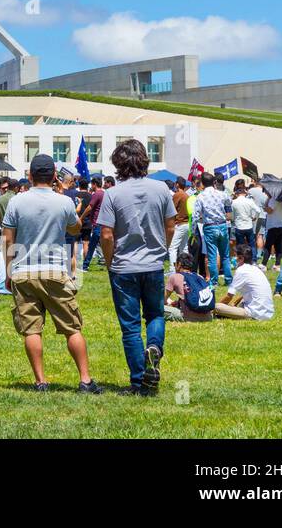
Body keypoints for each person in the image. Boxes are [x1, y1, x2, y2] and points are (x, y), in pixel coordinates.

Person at [1, 154, 101, 394]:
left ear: (30, 176)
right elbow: (75, 227)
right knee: (72, 327)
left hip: (24, 271)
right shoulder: (63, 202)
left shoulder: (16, 201)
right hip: (55, 269)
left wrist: (7, 270)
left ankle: (40, 381)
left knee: (32, 329)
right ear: (54, 175)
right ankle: (85, 380)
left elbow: (7, 238)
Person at [97, 140, 175, 395]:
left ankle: (140, 380)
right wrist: (161, 250)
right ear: (144, 160)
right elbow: (171, 226)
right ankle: (154, 348)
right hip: (152, 263)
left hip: (123, 266)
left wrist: (110, 263)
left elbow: (107, 235)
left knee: (130, 327)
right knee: (155, 314)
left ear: (118, 163)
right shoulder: (162, 188)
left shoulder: (113, 193)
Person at [214, 244, 275, 320]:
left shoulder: (241, 270)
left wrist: (216, 309)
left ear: (241, 258)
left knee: (216, 306)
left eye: (235, 256)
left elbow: (229, 296)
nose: (234, 259)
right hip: (268, 313)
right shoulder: (256, 269)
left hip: (254, 314)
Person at [194, 173, 232, 288]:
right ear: (214, 182)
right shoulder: (222, 194)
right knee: (225, 255)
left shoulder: (200, 196)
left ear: (202, 184)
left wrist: (193, 231)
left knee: (212, 256)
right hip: (222, 225)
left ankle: (214, 281)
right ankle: (229, 279)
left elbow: (195, 215)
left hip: (209, 226)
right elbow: (229, 202)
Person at [164, 251, 215, 322]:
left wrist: (168, 302)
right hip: (208, 317)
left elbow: (163, 300)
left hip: (189, 317)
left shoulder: (175, 277)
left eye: (175, 264)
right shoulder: (199, 276)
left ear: (179, 264)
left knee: (155, 308)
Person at [230, 181, 261, 261]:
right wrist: (254, 217)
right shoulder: (249, 201)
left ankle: (241, 260)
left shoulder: (234, 202)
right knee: (252, 244)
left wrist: (234, 219)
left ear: (237, 194)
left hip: (239, 226)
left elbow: (232, 215)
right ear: (244, 193)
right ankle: (253, 260)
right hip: (248, 225)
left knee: (240, 245)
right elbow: (258, 210)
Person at [165, 178, 191, 268]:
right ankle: (186, 267)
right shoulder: (187, 195)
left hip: (179, 224)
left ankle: (172, 270)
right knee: (184, 248)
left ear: (177, 184)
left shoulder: (177, 195)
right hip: (187, 223)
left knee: (172, 248)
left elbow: (171, 209)